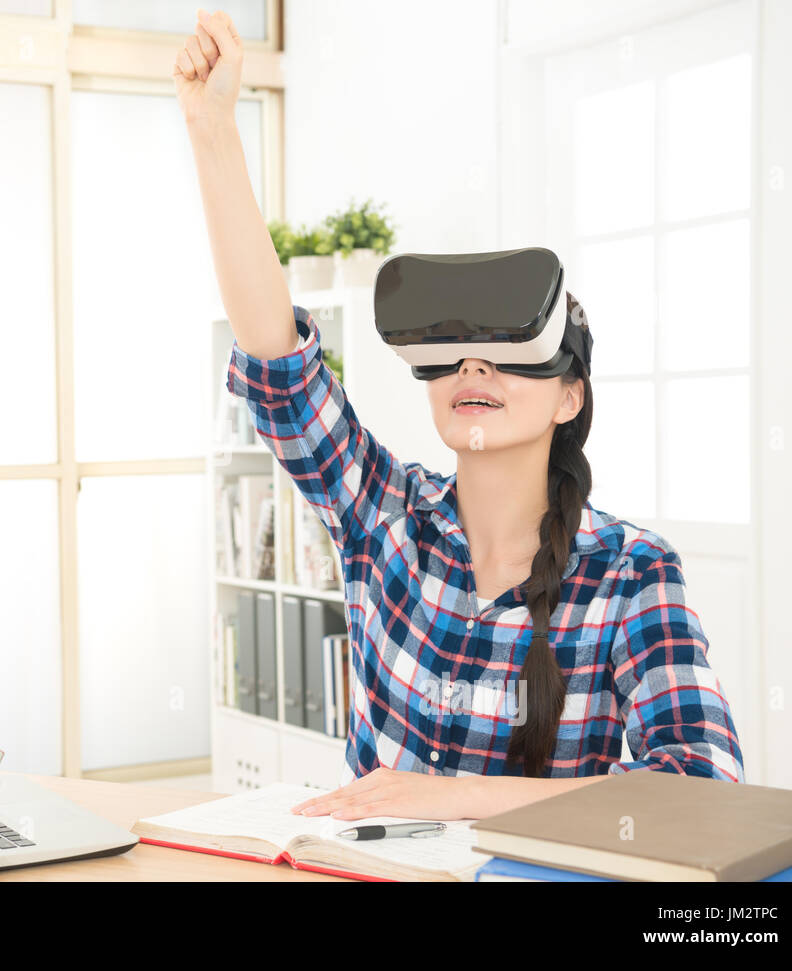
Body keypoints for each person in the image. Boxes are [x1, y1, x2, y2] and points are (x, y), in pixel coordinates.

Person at [175, 8, 744, 822]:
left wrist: (450, 797)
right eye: (455, 351)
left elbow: (704, 786)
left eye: (510, 352)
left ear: (571, 394)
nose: (475, 369)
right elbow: (280, 367)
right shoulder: (385, 518)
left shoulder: (632, 576)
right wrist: (212, 128)